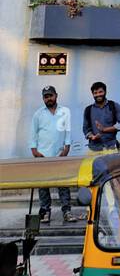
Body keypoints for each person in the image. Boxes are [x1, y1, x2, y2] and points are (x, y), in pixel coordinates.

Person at [30, 85, 73, 223]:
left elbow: (68, 131)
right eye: (46, 96)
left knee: (63, 185)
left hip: (60, 154)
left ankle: (67, 212)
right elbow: (33, 133)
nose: (49, 98)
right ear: (43, 98)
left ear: (56, 95)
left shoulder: (65, 111)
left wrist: (67, 148)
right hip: (42, 156)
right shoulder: (38, 114)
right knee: (43, 186)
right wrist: (34, 151)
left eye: (51, 95)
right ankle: (45, 212)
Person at [83, 82, 120, 153]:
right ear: (92, 94)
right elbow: (85, 128)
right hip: (93, 149)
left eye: (100, 92)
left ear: (105, 92)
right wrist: (92, 136)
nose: (98, 95)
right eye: (95, 93)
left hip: (111, 148)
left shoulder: (114, 106)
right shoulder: (88, 109)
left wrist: (105, 129)